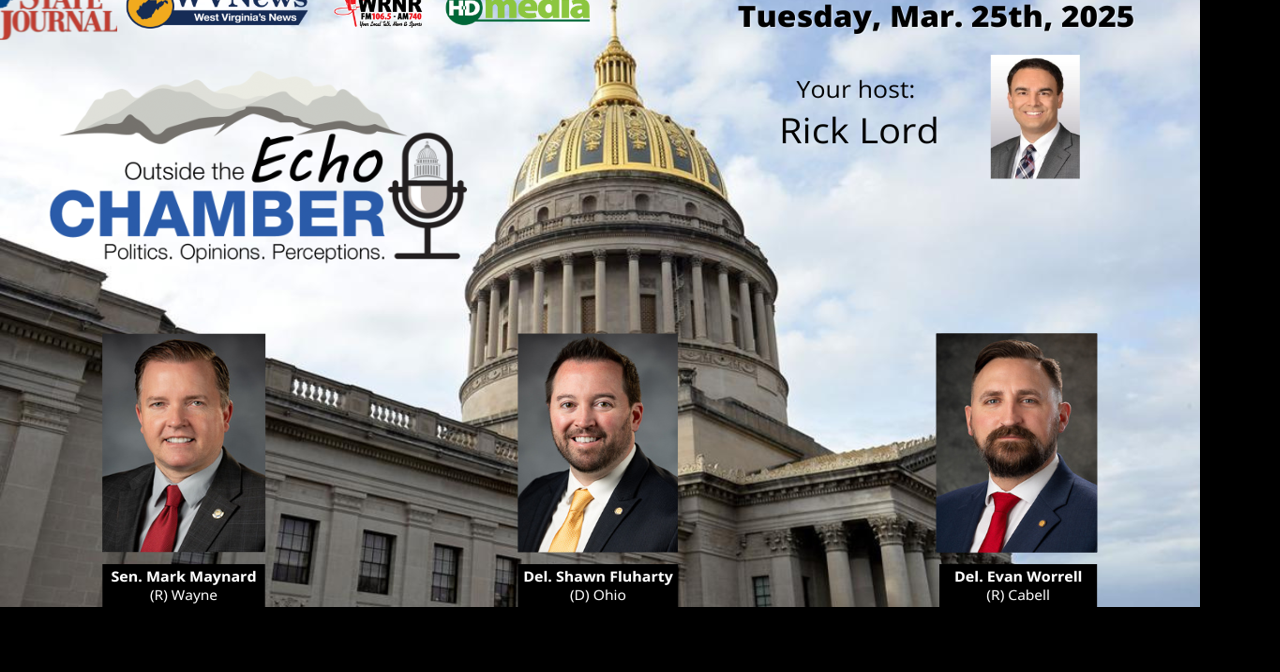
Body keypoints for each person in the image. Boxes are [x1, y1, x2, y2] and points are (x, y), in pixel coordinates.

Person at [102, 340, 265, 553]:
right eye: (158, 404)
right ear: (141, 417)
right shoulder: (105, 493)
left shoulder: (263, 507)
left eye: (195, 403)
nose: (176, 421)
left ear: (225, 415)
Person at [517, 338, 678, 552]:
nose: (583, 422)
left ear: (635, 417)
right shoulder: (532, 496)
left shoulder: (673, 512)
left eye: (603, 404)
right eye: (568, 404)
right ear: (550, 412)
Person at [936, 340, 1097, 552]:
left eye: (1028, 400)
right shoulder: (943, 512)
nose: (1010, 419)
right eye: (993, 401)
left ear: (1062, 417)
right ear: (970, 420)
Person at [991, 58, 1080, 179]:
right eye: (1023, 93)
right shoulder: (993, 156)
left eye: (1043, 93)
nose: (1033, 103)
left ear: (1059, 99)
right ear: (1010, 100)